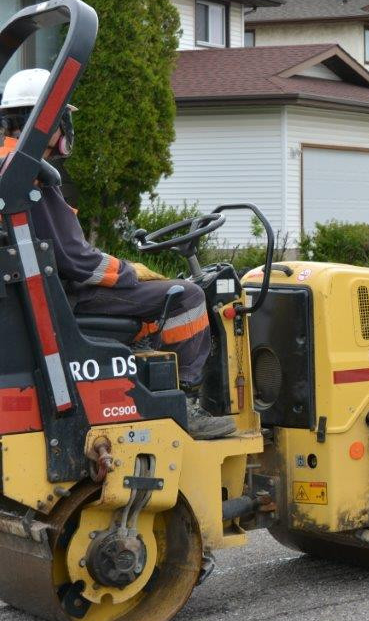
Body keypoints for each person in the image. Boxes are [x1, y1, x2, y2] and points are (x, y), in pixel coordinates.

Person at [0, 68, 234, 439]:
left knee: (157, 302)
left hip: (44, 293)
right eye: (65, 118)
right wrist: (130, 272)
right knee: (186, 297)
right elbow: (76, 261)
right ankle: (184, 404)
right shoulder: (28, 176)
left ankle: (143, 359)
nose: (67, 126)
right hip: (68, 296)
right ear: (49, 120)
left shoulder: (7, 166)